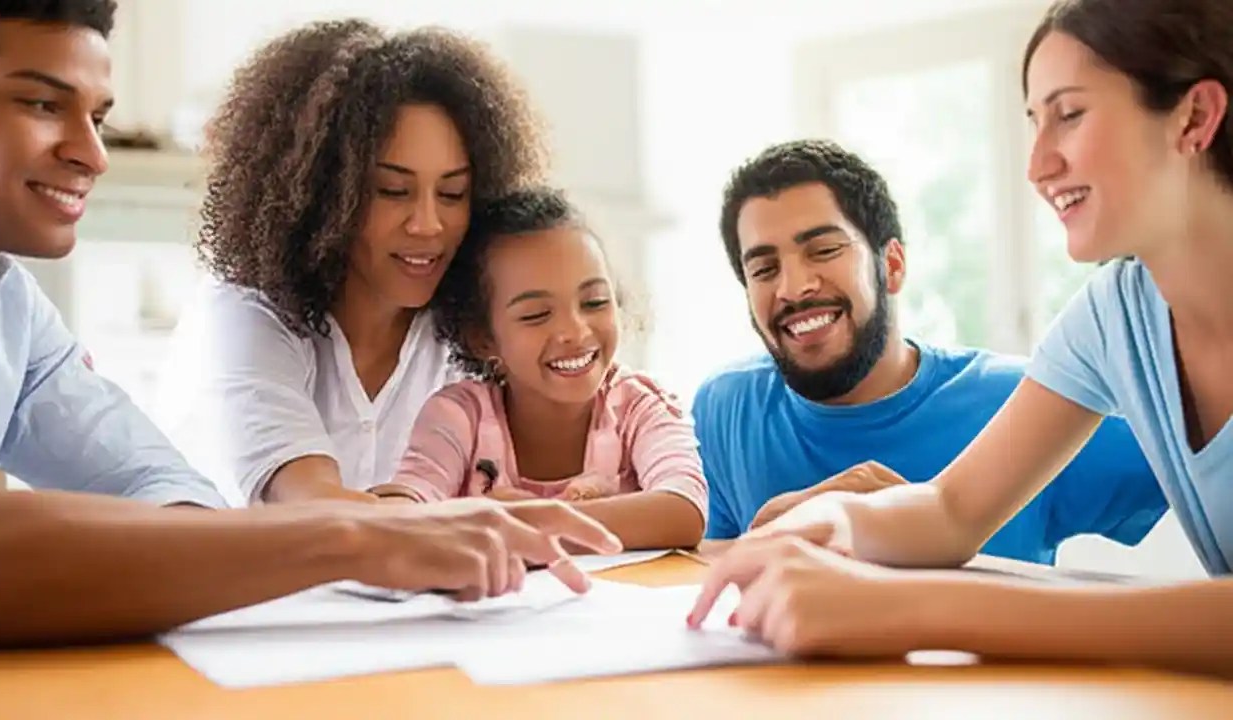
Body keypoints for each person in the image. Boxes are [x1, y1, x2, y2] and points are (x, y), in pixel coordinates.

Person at [0, 1, 619, 650]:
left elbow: (163, 495)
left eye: (99, 117)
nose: (94, 155)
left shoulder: (12, 314)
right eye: (42, 104)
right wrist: (354, 538)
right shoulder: (247, 310)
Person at [689, 0, 1233, 678]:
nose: (1037, 165)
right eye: (1033, 122)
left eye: (1069, 114)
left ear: (1195, 117)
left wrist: (915, 607)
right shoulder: (1113, 317)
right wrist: (834, 522)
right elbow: (951, 507)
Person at [693, 139, 1166, 565]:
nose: (793, 287)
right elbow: (696, 569)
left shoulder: (1030, 404)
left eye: (823, 250)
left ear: (892, 266)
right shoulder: (725, 407)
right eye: (764, 268)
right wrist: (770, 536)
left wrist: (916, 529)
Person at [155, 19, 547, 507]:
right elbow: (317, 506)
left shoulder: (466, 327)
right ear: (323, 194)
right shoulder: (247, 312)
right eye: (392, 191)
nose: (428, 224)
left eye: (452, 193)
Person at [381, 188, 707, 549]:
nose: (575, 332)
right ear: (482, 338)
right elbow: (405, 514)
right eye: (536, 315)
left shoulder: (640, 406)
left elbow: (683, 510)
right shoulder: (459, 415)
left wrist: (519, 523)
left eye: (594, 302)